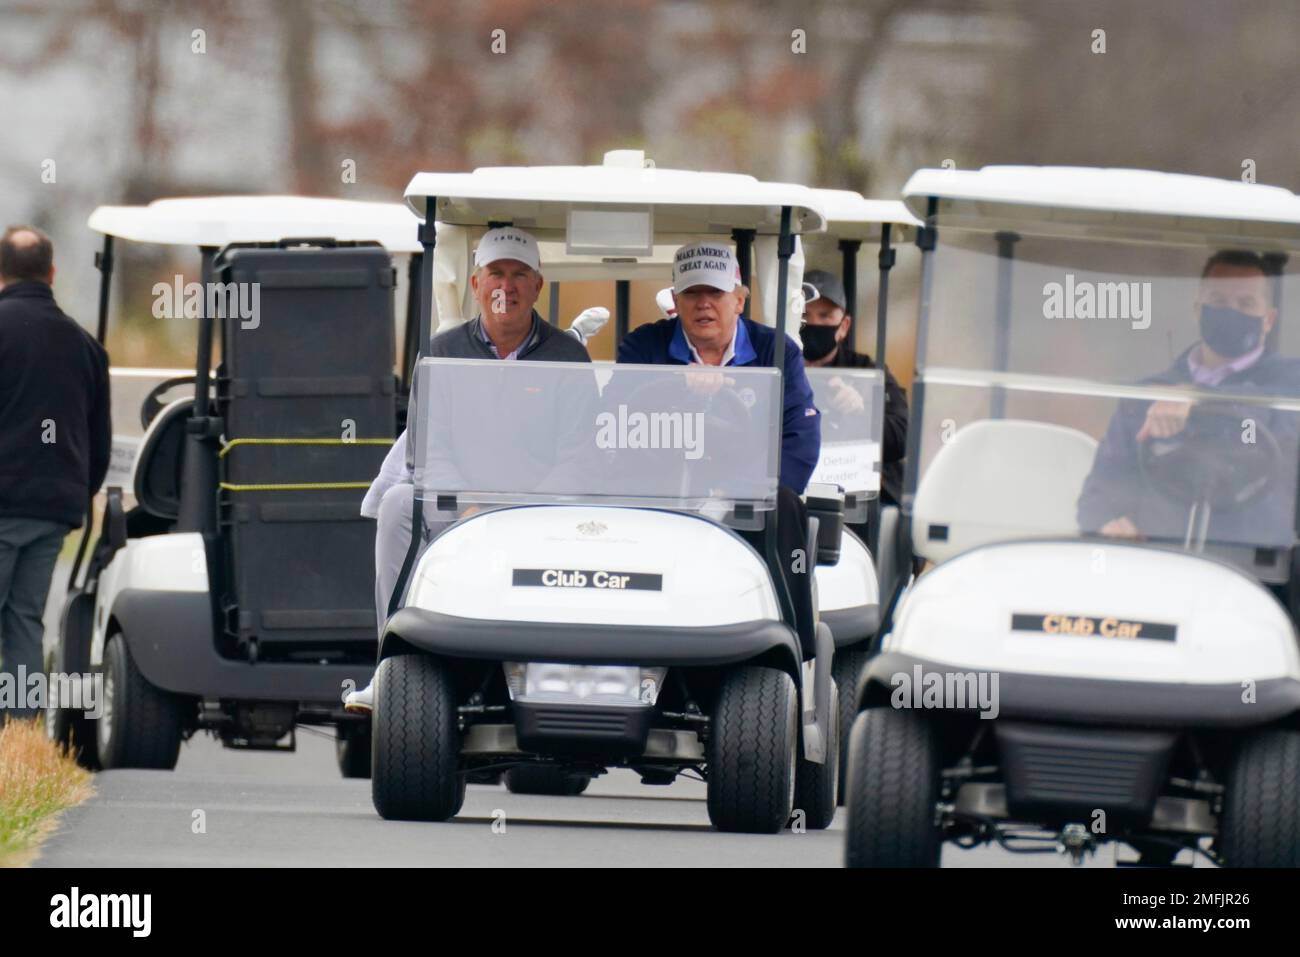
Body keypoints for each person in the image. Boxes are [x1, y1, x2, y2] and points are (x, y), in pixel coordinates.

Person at [347, 226, 595, 713]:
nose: (508, 286)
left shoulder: (567, 354)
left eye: (520, 275)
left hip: (541, 511)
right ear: (477, 284)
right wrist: (471, 505)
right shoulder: (443, 351)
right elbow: (429, 446)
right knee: (399, 504)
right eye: (496, 274)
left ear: (538, 286)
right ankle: (392, 666)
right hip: (463, 504)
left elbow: (579, 456)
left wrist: (519, 509)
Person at [617, 241, 822, 657]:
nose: (703, 304)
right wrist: (680, 394)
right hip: (661, 490)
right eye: (692, 293)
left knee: (786, 504)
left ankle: (795, 647)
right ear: (675, 300)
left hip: (748, 497)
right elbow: (617, 423)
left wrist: (742, 491)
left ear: (739, 300)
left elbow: (800, 437)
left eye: (715, 293)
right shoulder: (643, 348)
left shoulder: (775, 351)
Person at [1078, 250, 1300, 545]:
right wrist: (1106, 521)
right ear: (1198, 309)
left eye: (1245, 303)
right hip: (1163, 561)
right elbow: (1100, 490)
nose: (1230, 311)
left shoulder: (1289, 383)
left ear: (1268, 320)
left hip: (1259, 571)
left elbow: (1266, 417)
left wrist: (1198, 400)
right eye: (1218, 301)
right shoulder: (1148, 395)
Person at [0, 226, 110, 722]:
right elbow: (99, 442)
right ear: (52, 273)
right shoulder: (86, 346)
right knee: (25, 618)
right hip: (55, 506)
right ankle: (20, 734)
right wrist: (76, 493)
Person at [800, 269, 909, 506]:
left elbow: (903, 435)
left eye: (825, 315)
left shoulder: (867, 372)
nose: (813, 323)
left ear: (843, 326)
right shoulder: (780, 365)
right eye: (805, 315)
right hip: (796, 486)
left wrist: (860, 413)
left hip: (858, 494)